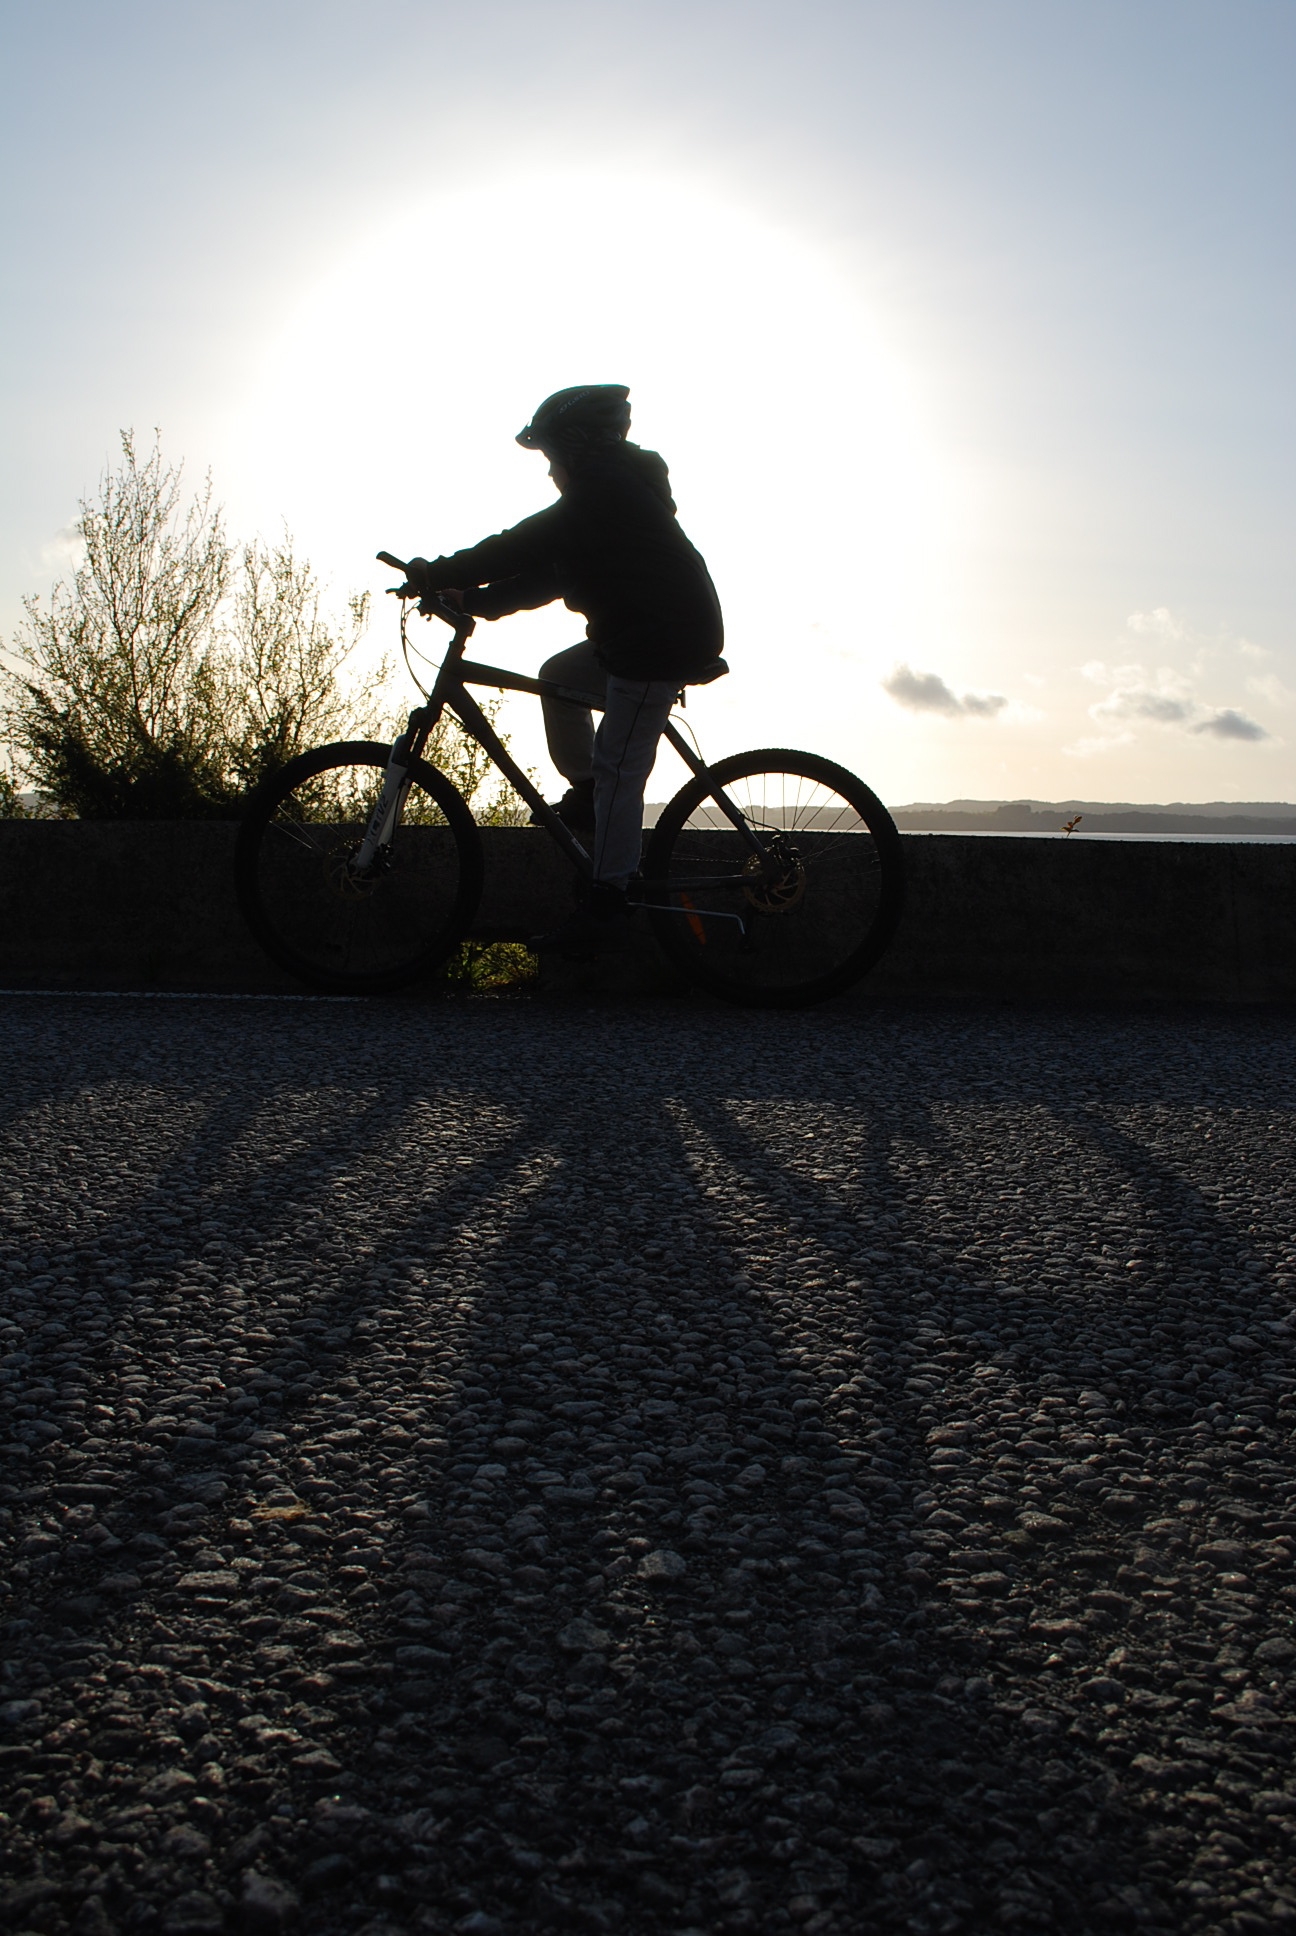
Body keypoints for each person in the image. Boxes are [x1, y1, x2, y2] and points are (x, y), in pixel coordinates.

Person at [401, 384, 724, 952]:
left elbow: (524, 543)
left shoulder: (604, 490)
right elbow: (543, 578)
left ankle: (608, 903)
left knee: (620, 766)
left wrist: (438, 571)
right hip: (641, 635)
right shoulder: (605, 501)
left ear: (576, 448)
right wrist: (465, 599)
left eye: (552, 457)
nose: (549, 471)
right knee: (563, 678)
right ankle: (588, 792)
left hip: (659, 640)